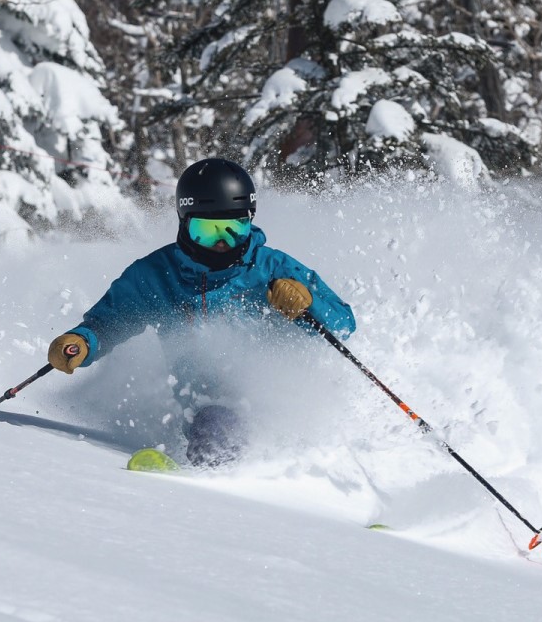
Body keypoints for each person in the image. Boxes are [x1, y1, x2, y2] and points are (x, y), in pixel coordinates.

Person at [46, 158, 355, 466]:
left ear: (250, 219)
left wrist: (308, 302)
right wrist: (82, 342)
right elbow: (109, 322)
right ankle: (210, 490)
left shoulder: (272, 268)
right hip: (205, 404)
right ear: (184, 221)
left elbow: (344, 324)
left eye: (235, 229)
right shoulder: (156, 274)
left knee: (236, 431)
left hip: (279, 400)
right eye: (207, 231)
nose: (222, 243)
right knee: (216, 427)